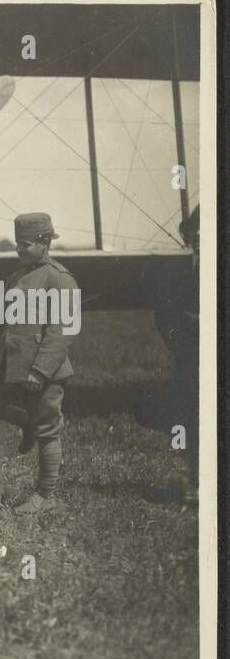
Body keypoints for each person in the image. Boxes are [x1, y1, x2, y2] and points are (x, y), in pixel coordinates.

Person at [0, 212, 76, 515]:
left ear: (44, 242)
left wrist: (40, 371)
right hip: (8, 369)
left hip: (43, 373)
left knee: (47, 430)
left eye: (25, 244)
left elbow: (62, 332)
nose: (19, 250)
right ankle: (25, 422)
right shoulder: (14, 278)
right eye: (17, 244)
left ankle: (46, 496)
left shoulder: (59, 279)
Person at [140, 205, 199, 510]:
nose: (199, 235)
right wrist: (177, 336)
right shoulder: (178, 271)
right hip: (190, 353)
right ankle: (195, 486)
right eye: (194, 231)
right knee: (193, 419)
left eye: (205, 229)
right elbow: (164, 311)